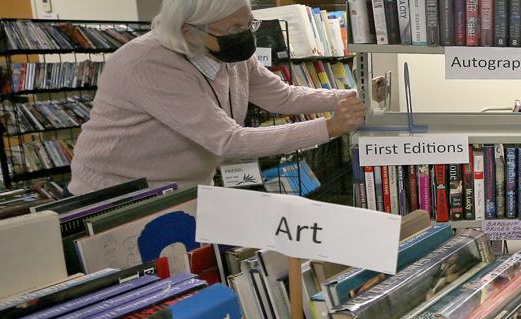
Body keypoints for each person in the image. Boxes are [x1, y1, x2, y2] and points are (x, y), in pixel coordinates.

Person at [69, 0, 366, 194]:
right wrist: (330, 127)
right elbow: (228, 140)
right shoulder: (148, 63)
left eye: (249, 24)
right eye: (235, 29)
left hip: (186, 187)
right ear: (189, 31)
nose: (245, 35)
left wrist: (354, 96)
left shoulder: (227, 52)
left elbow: (282, 97)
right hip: (121, 192)